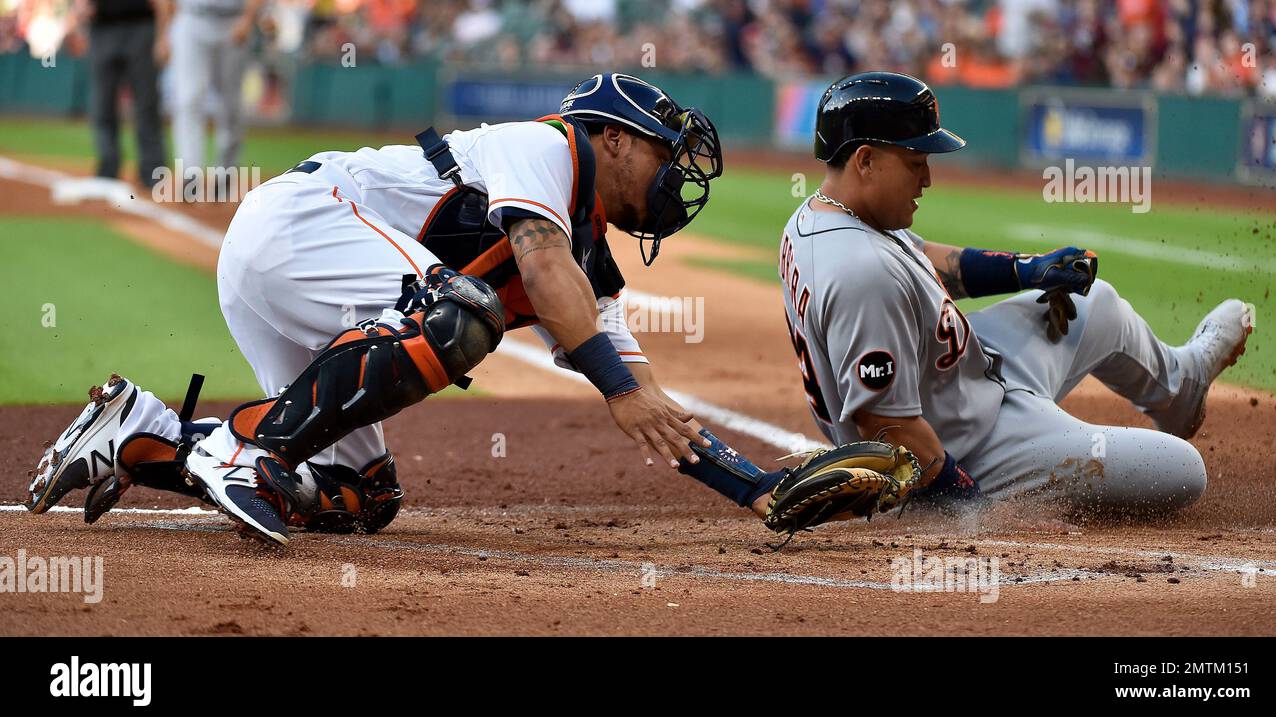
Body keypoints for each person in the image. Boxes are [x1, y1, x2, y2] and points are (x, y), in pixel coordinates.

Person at [29, 73, 861, 546]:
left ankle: (142, 439)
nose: (677, 174)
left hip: (312, 284)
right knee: (458, 318)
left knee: (361, 497)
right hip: (299, 225)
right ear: (612, 138)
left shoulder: (589, 265)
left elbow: (646, 402)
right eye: (664, 152)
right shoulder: (547, 148)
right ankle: (255, 452)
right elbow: (537, 263)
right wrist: (619, 387)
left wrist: (757, 488)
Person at [773, 71, 1252, 516]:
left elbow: (930, 262)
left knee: (1092, 301)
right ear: (867, 160)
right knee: (1182, 469)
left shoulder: (829, 216)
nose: (927, 178)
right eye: (916, 162)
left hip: (966, 372)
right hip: (969, 446)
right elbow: (885, 425)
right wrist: (968, 506)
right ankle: (963, 496)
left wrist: (1029, 270)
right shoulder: (860, 272)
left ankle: (1180, 389)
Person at [158, 0, 262, 187]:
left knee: (230, 103)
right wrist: (163, 32)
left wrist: (247, 18)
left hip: (232, 20)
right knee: (188, 99)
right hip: (190, 18)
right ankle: (190, 173)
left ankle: (226, 170)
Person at [73, 0, 168, 188]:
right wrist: (80, 11)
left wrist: (162, 36)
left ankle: (153, 170)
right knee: (102, 103)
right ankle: (108, 166)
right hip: (102, 27)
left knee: (146, 104)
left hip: (141, 26)